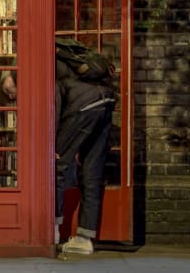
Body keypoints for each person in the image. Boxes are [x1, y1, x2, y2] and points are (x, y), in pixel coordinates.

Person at [54, 41, 116, 255]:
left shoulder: (50, 62)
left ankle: (52, 230)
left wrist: (52, 142)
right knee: (92, 172)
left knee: (56, 165)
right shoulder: (76, 54)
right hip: (106, 101)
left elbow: (54, 104)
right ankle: (85, 238)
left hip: (82, 107)